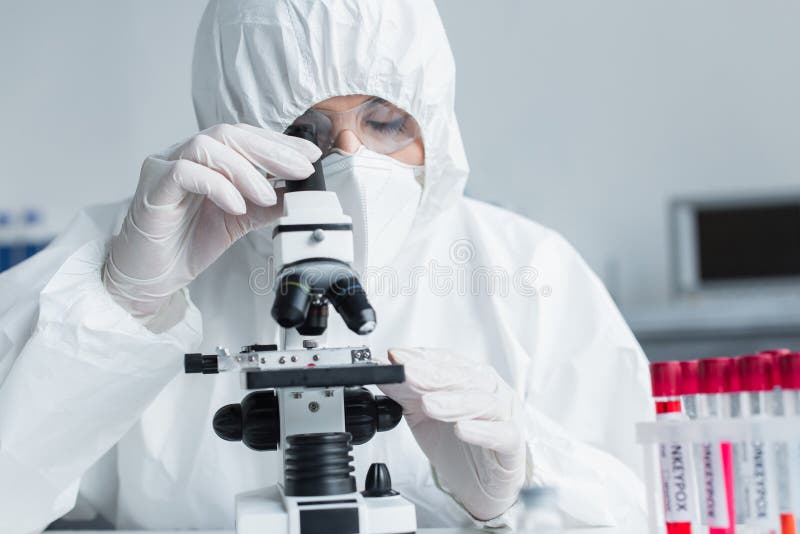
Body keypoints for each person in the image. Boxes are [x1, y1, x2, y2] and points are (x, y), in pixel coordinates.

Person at [0, 1, 654, 532]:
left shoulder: (531, 272)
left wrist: (518, 486)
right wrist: (119, 306)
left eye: (387, 122)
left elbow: (645, 511)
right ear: (237, 130)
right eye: (303, 134)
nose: (353, 166)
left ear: (433, 118)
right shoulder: (139, 247)